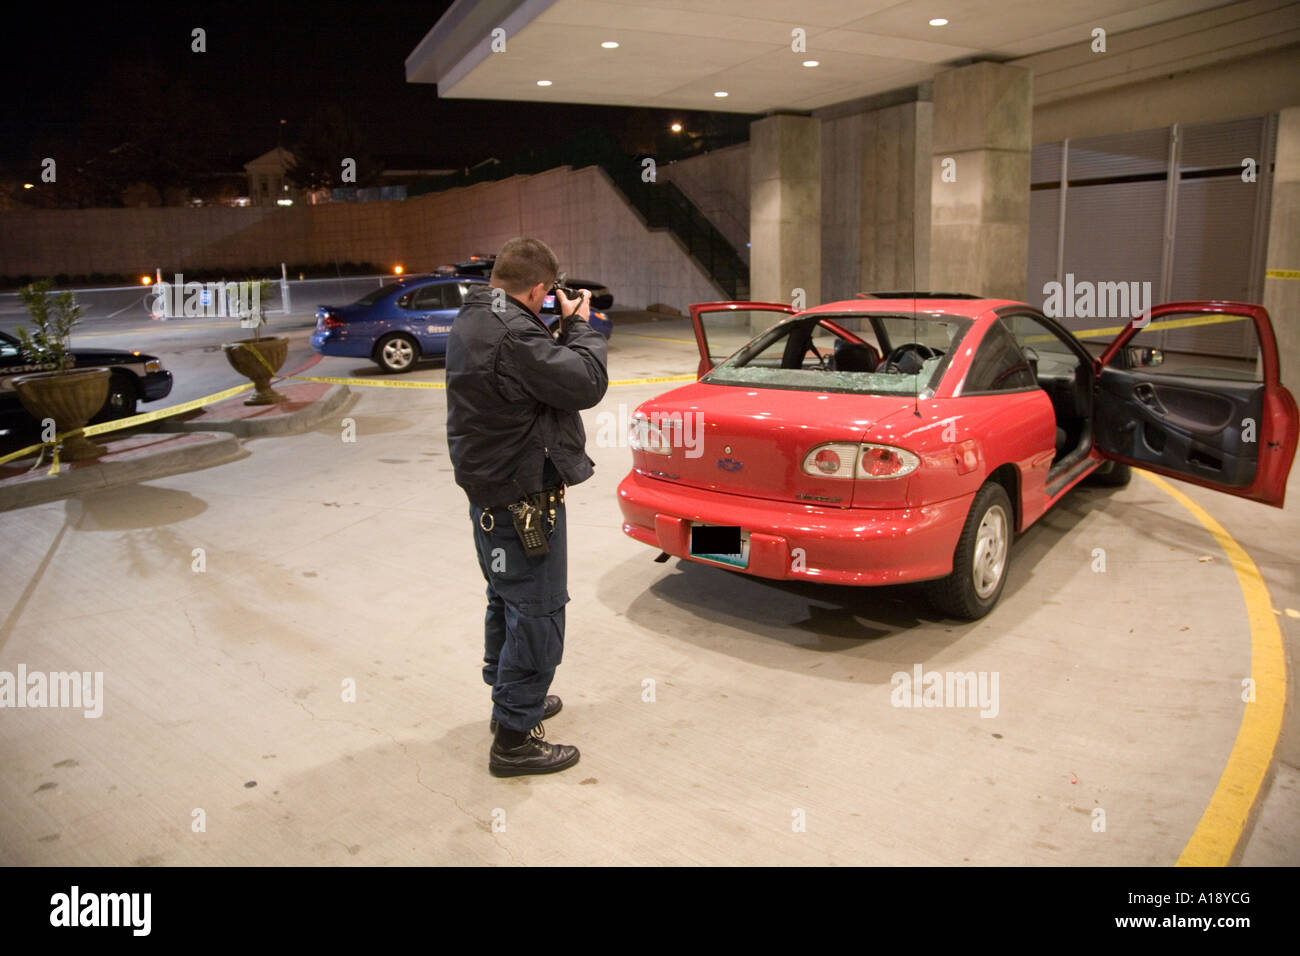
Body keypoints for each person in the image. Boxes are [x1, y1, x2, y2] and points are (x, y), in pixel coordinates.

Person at [445, 237, 609, 777]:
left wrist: (555, 329)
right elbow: (585, 382)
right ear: (538, 288)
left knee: (507, 599)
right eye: (546, 295)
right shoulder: (514, 331)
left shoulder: (476, 317)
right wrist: (581, 325)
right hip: (522, 499)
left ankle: (510, 700)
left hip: (491, 492)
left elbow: (535, 379)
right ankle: (515, 740)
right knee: (539, 611)